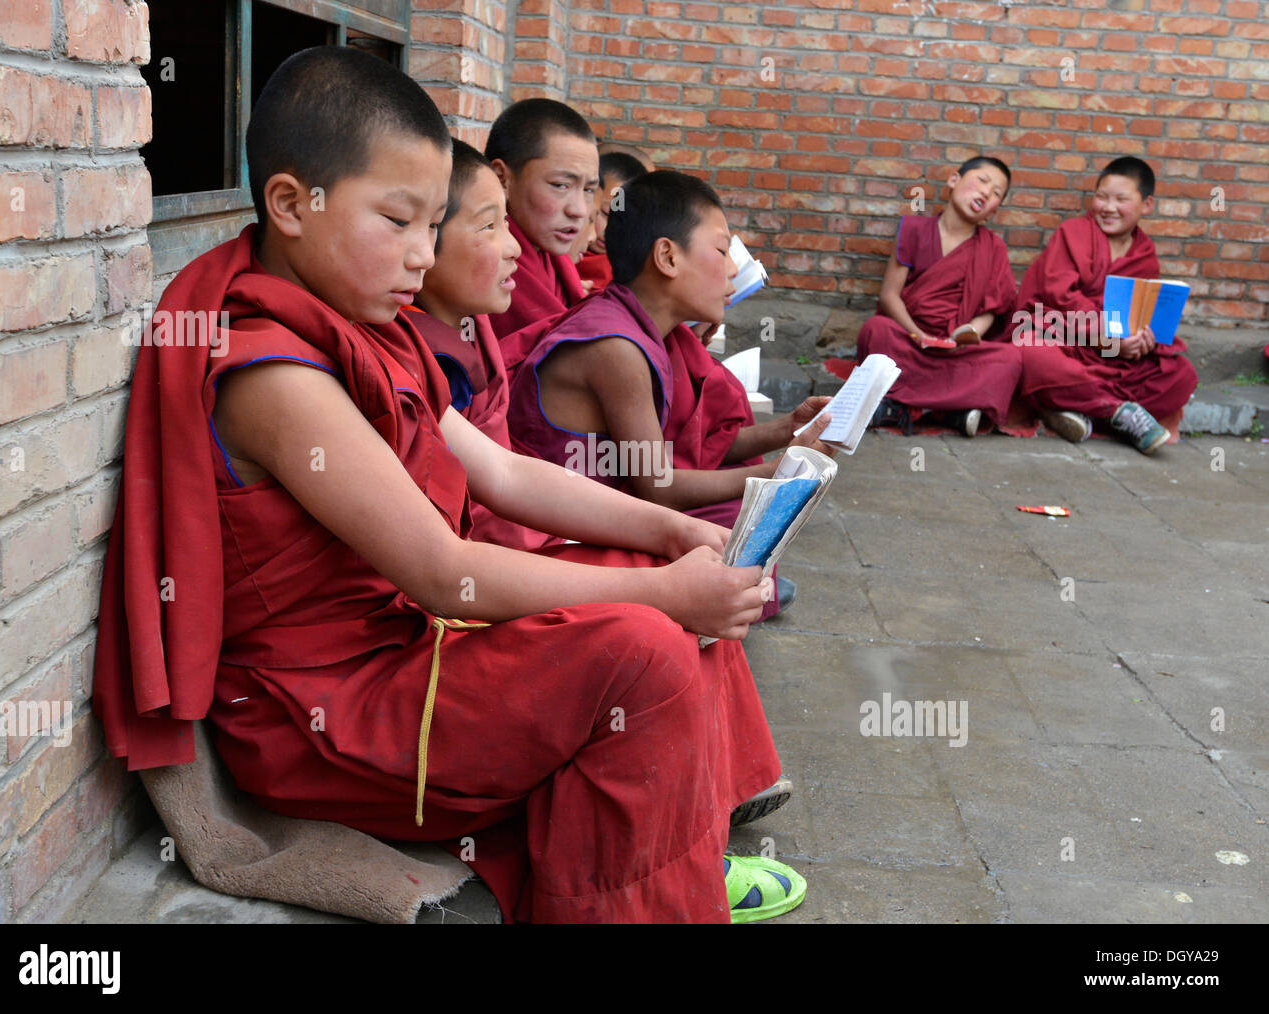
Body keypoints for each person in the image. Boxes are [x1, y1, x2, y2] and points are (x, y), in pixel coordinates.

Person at [92, 47, 804, 924]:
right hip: (329, 720)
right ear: (289, 205)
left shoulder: (371, 332)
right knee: (645, 646)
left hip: (407, 653)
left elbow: (502, 471)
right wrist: (663, 592)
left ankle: (683, 839)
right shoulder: (274, 376)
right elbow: (437, 568)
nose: (422, 256)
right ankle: (638, 893)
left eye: (435, 225)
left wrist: (665, 540)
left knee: (649, 564)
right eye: (398, 221)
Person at [505, 170, 832, 615]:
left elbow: (690, 445)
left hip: (610, 504)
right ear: (667, 257)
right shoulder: (616, 348)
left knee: (739, 515)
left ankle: (745, 588)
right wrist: (779, 472)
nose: (735, 270)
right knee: (739, 527)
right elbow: (657, 485)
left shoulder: (649, 331)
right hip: (560, 529)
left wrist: (786, 430)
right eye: (721, 250)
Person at [407, 139, 557, 552]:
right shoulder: (423, 359)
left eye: (507, 224)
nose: (514, 248)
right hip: (477, 552)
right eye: (489, 226)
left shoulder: (474, 322)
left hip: (520, 522)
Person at [1006, 156, 1198, 454]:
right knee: (1030, 353)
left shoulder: (1144, 253)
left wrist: (1142, 340)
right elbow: (1058, 298)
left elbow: (1142, 313)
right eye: (1101, 197)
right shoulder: (1074, 233)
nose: (1108, 208)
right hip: (1066, 337)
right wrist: (1107, 337)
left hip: (1114, 355)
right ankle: (1117, 412)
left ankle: (1072, 408)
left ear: (1146, 205)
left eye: (1120, 199)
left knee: (1181, 375)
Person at [857, 156, 1022, 437]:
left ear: (993, 212)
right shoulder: (914, 229)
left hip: (956, 349)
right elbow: (889, 296)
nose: (986, 192)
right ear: (954, 180)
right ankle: (952, 411)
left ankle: (899, 406)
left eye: (996, 193)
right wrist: (916, 334)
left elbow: (991, 310)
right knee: (876, 330)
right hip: (909, 339)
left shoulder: (993, 248)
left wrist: (965, 336)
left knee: (1010, 359)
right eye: (982, 181)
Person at [483, 98, 596, 360]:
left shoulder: (551, 256)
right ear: (502, 178)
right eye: (560, 185)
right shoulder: (483, 267)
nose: (578, 209)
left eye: (589, 189)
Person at [576, 150, 648, 293]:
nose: (611, 230)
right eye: (604, 213)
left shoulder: (625, 272)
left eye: (625, 221)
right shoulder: (555, 248)